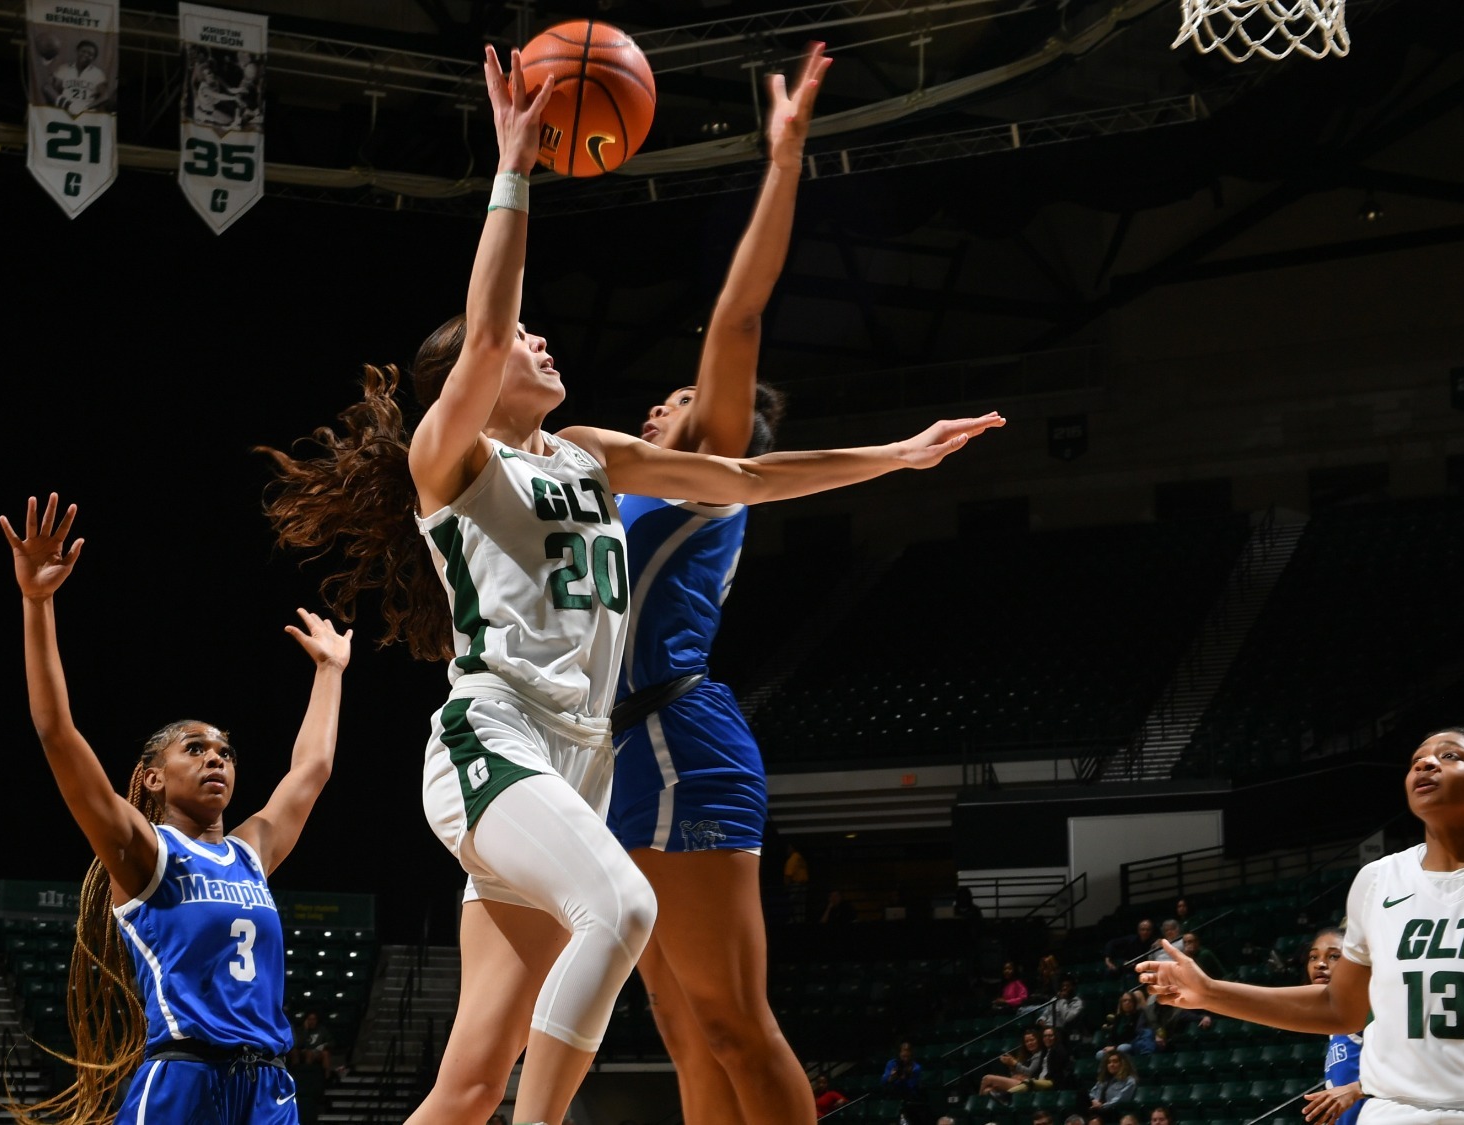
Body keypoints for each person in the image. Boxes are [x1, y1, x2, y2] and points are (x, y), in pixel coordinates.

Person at [252, 45, 1000, 1125]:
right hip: (495, 738)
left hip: (584, 756)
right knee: (623, 904)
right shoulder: (450, 460)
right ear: (466, 378)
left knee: (469, 1078)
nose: (540, 341)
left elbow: (739, 475)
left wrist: (894, 456)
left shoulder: (591, 452)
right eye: (515, 344)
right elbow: (498, 319)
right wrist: (513, 168)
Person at [598, 45, 840, 1125]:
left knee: (735, 1020)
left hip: (676, 737)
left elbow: (735, 322)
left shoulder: (704, 474)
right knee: (676, 1022)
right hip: (617, 750)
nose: (665, 409)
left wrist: (780, 161)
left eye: (679, 404)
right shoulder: (623, 498)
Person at [0, 493, 352, 1125]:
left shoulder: (252, 851)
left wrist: (330, 671)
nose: (218, 758)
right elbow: (56, 732)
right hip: (184, 1079)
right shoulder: (143, 852)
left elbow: (312, 770)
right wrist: (37, 602)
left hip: (268, 1086)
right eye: (197, 748)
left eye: (226, 751)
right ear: (153, 779)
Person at [1141, 728, 1464, 1125]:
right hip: (1392, 1114)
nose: (1426, 765)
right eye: (1417, 760)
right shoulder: (1377, 879)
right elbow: (1339, 1008)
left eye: (1449, 757)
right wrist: (1209, 993)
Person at [1302, 927, 1363, 1125]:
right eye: (1313, 957)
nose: (1320, 964)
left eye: (1334, 956)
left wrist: (1356, 1089)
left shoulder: (1369, 1012)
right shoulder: (1335, 1024)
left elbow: (1411, 1073)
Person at [45, 39, 106, 114]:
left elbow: (105, 96)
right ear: (77, 51)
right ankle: (68, 106)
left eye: (90, 54)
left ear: (94, 58)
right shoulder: (64, 68)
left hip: (86, 111)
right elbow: (55, 88)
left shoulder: (98, 73)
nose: (86, 55)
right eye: (83, 51)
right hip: (65, 107)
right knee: (46, 87)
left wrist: (87, 107)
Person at [980, 1030, 1042, 1097]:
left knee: (987, 1078)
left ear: (1038, 1040)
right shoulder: (1025, 1055)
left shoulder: (1040, 1055)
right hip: (1016, 1081)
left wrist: (1014, 1063)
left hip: (1027, 1084)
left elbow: (1030, 1072)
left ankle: (979, 1100)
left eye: (1032, 1040)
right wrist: (1011, 1066)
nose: (1029, 1043)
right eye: (1027, 1041)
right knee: (987, 1091)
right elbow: (1014, 1073)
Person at [1088, 1048, 1137, 1113]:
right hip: (1096, 1109)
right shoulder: (1103, 1080)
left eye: (1115, 1061)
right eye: (1109, 1062)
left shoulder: (1129, 1081)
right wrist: (1093, 1100)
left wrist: (1102, 1106)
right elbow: (1092, 1093)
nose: (1111, 1065)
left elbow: (1120, 1099)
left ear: (1122, 1064)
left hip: (1113, 1111)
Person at [291, 1010, 336, 1079]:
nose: (312, 1021)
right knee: (308, 1053)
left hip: (317, 1052)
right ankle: (306, 1076)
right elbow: (298, 1044)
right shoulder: (301, 1030)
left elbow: (331, 1042)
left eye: (314, 1019)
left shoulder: (322, 1030)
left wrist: (323, 1045)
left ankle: (327, 1078)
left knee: (326, 1053)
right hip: (303, 1051)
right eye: (309, 1019)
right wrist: (305, 1030)